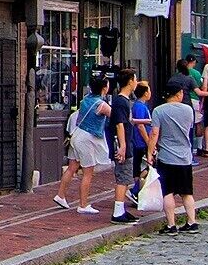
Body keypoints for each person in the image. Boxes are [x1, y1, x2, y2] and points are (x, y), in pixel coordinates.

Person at [54, 72, 111, 215]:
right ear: (104, 88)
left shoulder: (85, 100)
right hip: (87, 139)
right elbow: (116, 116)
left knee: (72, 167)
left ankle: (60, 195)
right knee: (88, 172)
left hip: (77, 135)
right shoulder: (101, 104)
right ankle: (83, 204)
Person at [146, 76, 198, 235]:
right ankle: (192, 222)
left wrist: (150, 153)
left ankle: (171, 224)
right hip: (185, 157)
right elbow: (189, 129)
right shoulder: (188, 110)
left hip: (166, 157)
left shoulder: (158, 110)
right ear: (179, 93)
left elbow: (154, 133)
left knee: (167, 192)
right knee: (187, 192)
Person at [108, 68, 138, 223]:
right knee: (123, 178)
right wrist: (123, 145)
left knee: (126, 178)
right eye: (135, 79)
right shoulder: (120, 102)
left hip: (127, 143)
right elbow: (120, 125)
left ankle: (121, 210)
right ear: (130, 81)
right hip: (123, 144)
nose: (137, 82)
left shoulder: (124, 101)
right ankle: (117, 212)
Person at [128, 81, 152, 204]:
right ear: (145, 93)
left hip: (137, 141)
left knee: (138, 168)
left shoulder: (138, 105)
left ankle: (137, 193)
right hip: (141, 142)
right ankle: (135, 190)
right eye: (148, 90)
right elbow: (141, 126)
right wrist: (149, 142)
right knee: (149, 167)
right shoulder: (140, 106)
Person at [186, 51, 208, 157]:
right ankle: (199, 147)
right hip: (195, 99)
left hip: (184, 100)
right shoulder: (196, 73)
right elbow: (202, 86)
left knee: (186, 125)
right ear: (194, 62)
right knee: (198, 123)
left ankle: (188, 147)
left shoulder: (180, 72)